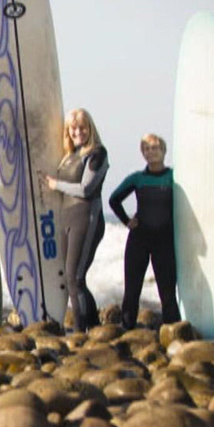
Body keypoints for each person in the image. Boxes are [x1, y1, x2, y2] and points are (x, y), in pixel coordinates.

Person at [40, 108, 109, 333]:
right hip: (66, 219)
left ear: (90, 129)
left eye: (82, 127)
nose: (78, 132)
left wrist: (56, 185)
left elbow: (86, 188)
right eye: (73, 128)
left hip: (87, 218)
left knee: (75, 277)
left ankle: (80, 332)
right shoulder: (69, 156)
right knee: (73, 278)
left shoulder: (97, 153)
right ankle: (95, 327)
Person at [109, 133, 179, 329]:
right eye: (147, 149)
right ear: (143, 154)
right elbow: (114, 199)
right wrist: (126, 221)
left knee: (167, 290)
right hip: (139, 239)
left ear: (164, 151)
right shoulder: (137, 179)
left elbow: (199, 194)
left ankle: (172, 329)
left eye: (155, 148)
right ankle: (127, 328)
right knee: (132, 289)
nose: (151, 152)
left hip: (164, 241)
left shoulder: (174, 176)